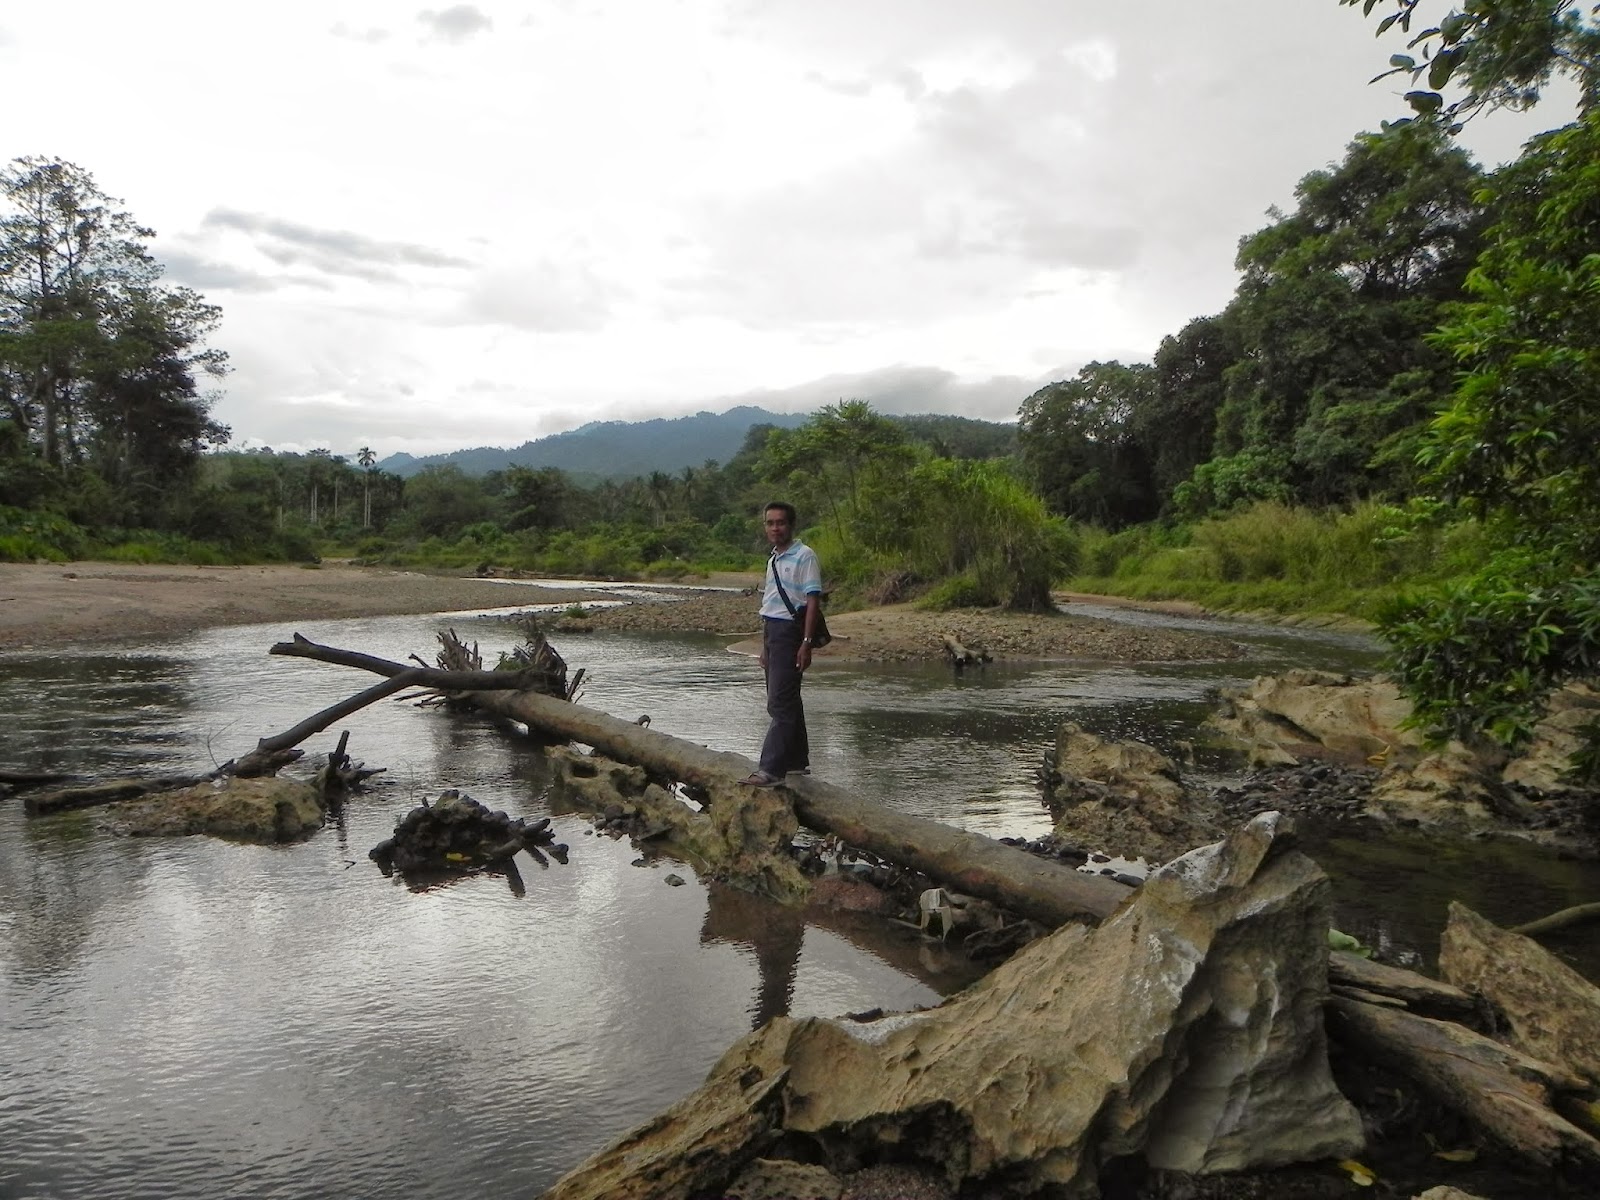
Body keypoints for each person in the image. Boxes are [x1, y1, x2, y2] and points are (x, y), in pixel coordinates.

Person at [741, 501, 822, 787]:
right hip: (772, 632)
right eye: (770, 523)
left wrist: (806, 643)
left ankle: (770, 770)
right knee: (788, 699)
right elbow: (772, 603)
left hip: (791, 634)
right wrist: (765, 646)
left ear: (791, 525)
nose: (775, 528)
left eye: (780, 523)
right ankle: (797, 761)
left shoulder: (805, 556)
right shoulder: (774, 559)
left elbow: (812, 601)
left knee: (779, 704)